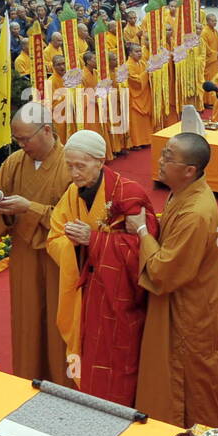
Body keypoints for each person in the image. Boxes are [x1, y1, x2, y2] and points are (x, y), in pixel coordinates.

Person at [126, 133, 218, 429]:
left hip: (189, 312)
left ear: (190, 170)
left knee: (190, 386)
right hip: (182, 301)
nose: (160, 161)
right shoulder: (183, 192)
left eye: (168, 158)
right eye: (162, 154)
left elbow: (163, 271)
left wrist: (141, 232)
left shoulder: (196, 212)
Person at [46, 130, 157, 406]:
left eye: (80, 166)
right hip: (87, 291)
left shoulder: (128, 193)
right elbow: (54, 236)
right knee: (88, 352)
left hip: (118, 297)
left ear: (100, 161)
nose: (74, 173)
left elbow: (143, 249)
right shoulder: (74, 192)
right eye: (69, 165)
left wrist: (93, 239)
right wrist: (71, 244)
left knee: (116, 359)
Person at [0, 103, 72, 384]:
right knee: (27, 318)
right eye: (17, 140)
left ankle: (63, 381)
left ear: (47, 130)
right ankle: (27, 377)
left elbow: (74, 219)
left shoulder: (71, 162)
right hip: (24, 253)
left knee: (59, 321)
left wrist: (29, 207)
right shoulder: (15, 161)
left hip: (58, 255)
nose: (22, 145)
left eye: (26, 139)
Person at [125, 43, 154, 148]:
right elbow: (135, 80)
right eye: (136, 51)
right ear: (130, 53)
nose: (139, 53)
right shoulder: (128, 66)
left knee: (144, 120)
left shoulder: (142, 63)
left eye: (140, 51)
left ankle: (147, 139)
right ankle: (136, 142)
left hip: (144, 95)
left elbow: (149, 74)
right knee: (136, 121)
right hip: (135, 97)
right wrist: (147, 73)